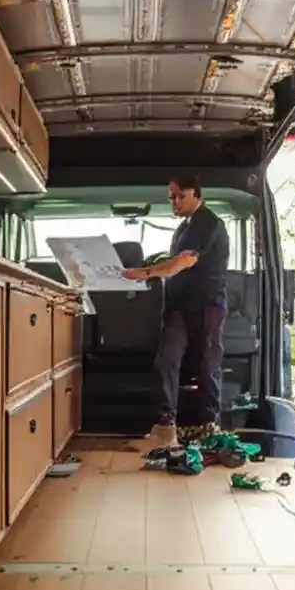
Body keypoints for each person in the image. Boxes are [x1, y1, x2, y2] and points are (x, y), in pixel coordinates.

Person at [121, 174, 230, 444]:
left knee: (207, 365)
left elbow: (182, 262)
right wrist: (153, 265)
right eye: (171, 197)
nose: (175, 201)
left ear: (197, 194)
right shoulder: (185, 227)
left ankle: (209, 426)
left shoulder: (207, 222)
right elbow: (171, 261)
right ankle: (165, 425)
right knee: (167, 361)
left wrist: (145, 273)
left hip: (206, 306)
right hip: (178, 306)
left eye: (181, 195)